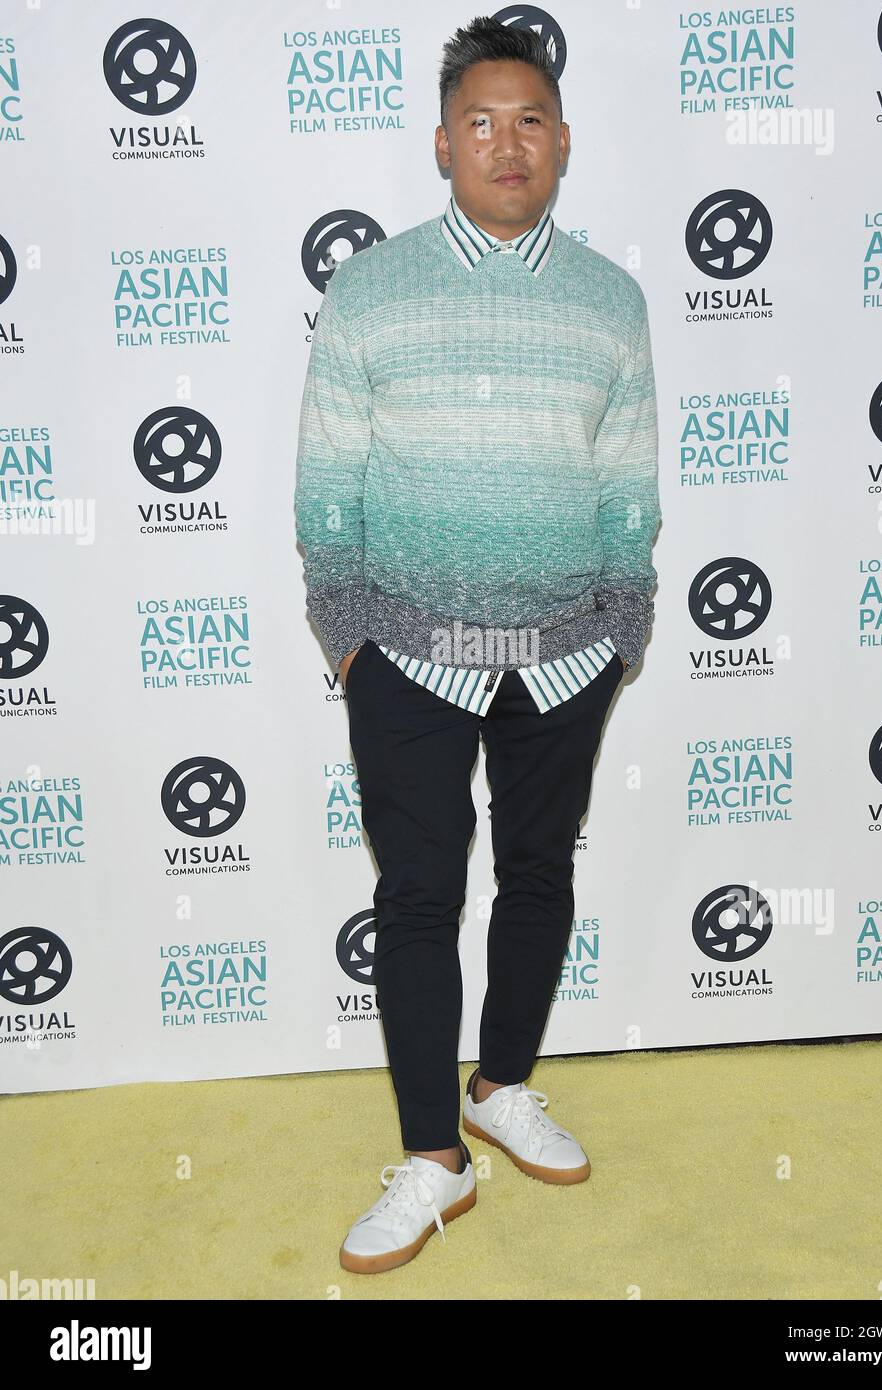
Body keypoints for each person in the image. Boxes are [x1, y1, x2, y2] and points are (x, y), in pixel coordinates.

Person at [294, 15, 661, 1275]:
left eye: (530, 123)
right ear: (443, 141)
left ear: (561, 142)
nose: (507, 146)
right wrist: (346, 632)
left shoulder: (611, 299)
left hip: (565, 653)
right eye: (480, 124)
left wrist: (623, 625)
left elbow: (628, 489)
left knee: (540, 876)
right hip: (403, 648)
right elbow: (324, 484)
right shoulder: (374, 285)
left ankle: (501, 1084)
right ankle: (431, 1159)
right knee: (416, 896)